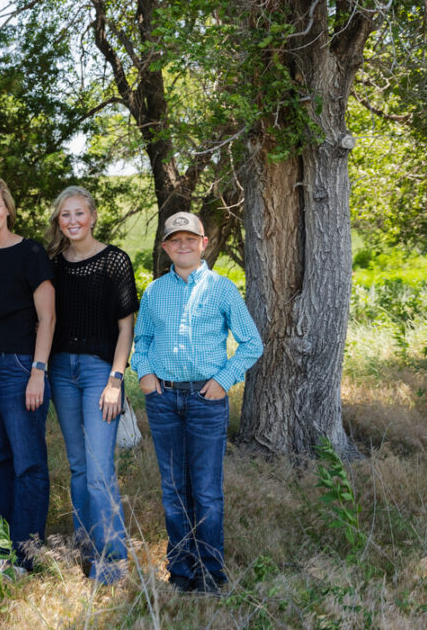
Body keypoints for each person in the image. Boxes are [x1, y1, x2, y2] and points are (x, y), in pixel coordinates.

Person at [131, 211, 263, 596]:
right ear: (166, 247)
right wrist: (145, 374)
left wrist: (224, 381)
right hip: (164, 398)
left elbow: (252, 342)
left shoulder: (222, 289)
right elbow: (142, 342)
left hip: (207, 399)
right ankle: (180, 570)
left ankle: (210, 573)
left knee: (205, 489)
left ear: (204, 243)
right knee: (173, 487)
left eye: (191, 238)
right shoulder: (155, 291)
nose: (183, 244)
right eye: (175, 239)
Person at [45, 186, 138, 585]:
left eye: (79, 213)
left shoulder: (115, 261)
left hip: (101, 371)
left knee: (100, 469)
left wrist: (116, 379)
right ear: (58, 221)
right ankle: (85, 550)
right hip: (61, 371)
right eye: (65, 215)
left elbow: (125, 326)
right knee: (79, 466)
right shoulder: (52, 264)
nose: (72, 221)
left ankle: (112, 560)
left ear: (93, 215)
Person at [0, 174, 55, 572]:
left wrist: (38, 370)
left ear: (8, 209)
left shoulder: (31, 253)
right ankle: (5, 545)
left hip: (19, 367)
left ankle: (26, 554)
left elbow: (47, 317)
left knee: (28, 462)